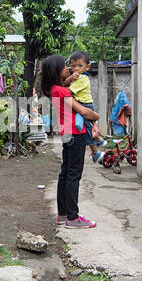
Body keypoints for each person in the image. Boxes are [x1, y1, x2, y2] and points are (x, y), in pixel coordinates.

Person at [40, 53, 98, 229]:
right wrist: (97, 117)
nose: (70, 69)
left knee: (65, 174)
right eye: (66, 67)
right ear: (57, 71)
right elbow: (84, 112)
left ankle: (63, 214)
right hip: (75, 133)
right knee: (73, 175)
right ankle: (73, 218)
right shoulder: (62, 90)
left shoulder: (54, 89)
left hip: (67, 133)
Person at [67, 50, 106, 164]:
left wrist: (63, 89)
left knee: (86, 128)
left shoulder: (82, 79)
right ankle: (97, 143)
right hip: (82, 104)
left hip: (84, 105)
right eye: (73, 66)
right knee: (85, 127)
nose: (76, 69)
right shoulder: (76, 78)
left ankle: (96, 149)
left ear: (87, 67)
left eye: (80, 66)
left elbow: (68, 92)